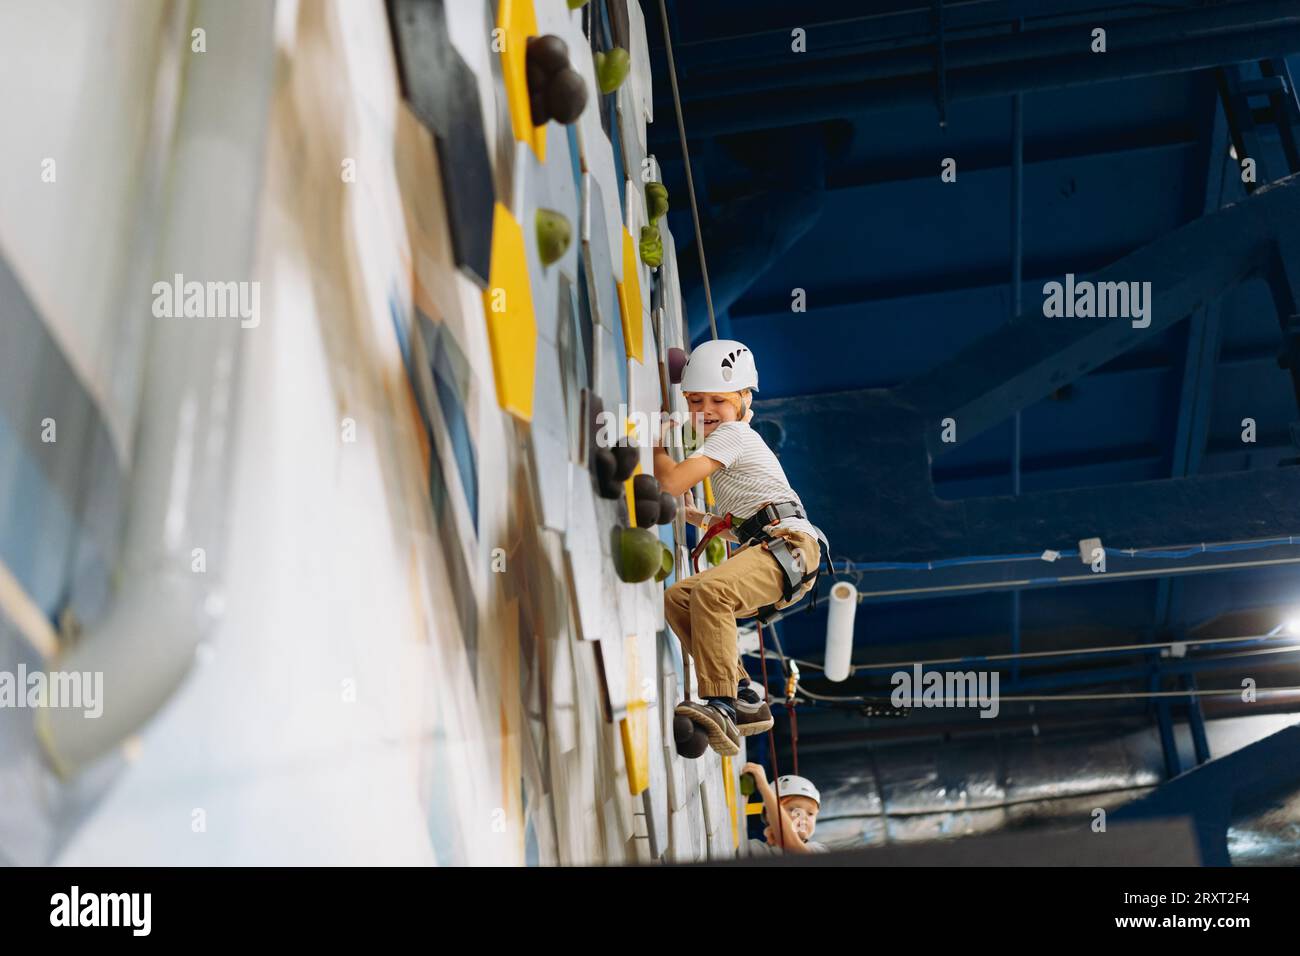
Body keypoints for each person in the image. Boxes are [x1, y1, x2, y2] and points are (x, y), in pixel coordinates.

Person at [653, 339, 827, 757]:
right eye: (695, 401)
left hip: (791, 547)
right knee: (681, 597)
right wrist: (699, 519)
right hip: (778, 548)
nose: (705, 410)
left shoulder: (733, 434)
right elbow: (749, 520)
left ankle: (720, 703)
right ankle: (745, 696)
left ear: (744, 401)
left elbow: (672, 482)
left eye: (719, 400)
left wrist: (655, 444)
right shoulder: (732, 437)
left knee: (712, 593)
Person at [743, 765, 828, 856]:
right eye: (793, 810)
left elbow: (793, 848)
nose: (804, 817)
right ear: (768, 815)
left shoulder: (818, 850)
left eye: (811, 813)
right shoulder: (753, 848)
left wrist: (763, 786)